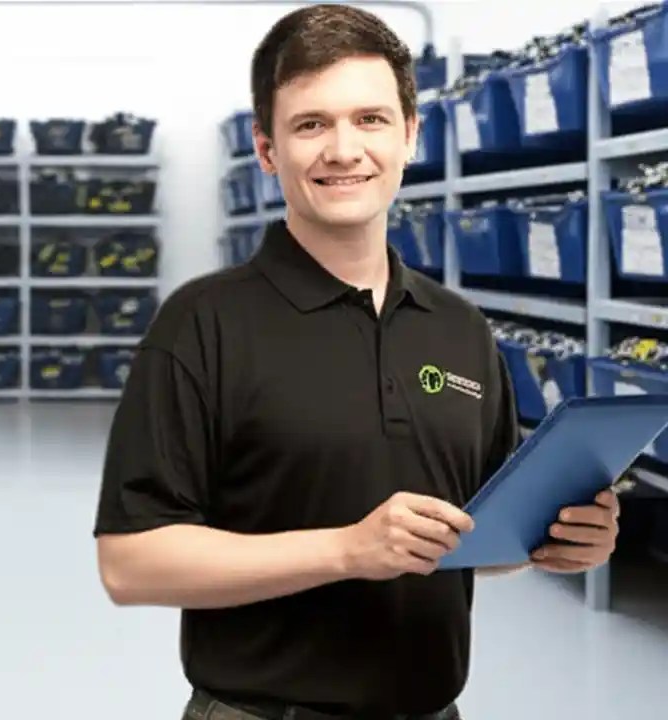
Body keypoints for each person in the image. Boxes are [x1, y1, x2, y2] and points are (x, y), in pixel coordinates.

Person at [91, 5, 622, 720]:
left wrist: (555, 540)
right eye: (311, 124)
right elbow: (130, 564)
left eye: (370, 119)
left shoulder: (459, 329)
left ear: (410, 134)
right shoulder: (202, 325)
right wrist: (347, 550)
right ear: (267, 149)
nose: (344, 150)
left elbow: (480, 537)